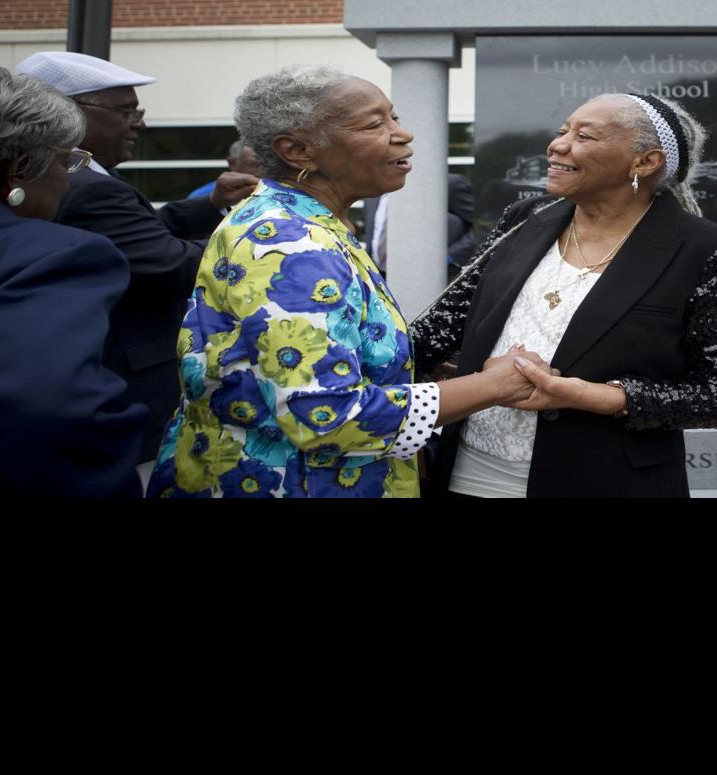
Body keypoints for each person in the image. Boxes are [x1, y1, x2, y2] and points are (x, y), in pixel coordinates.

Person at [145, 64, 539, 498]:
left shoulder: (304, 220)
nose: (402, 134)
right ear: (297, 151)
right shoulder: (288, 244)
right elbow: (328, 416)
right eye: (374, 124)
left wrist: (405, 367)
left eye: (395, 117)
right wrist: (494, 385)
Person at [411, 92, 717, 498]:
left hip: (607, 479)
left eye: (585, 136)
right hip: (469, 476)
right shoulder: (525, 218)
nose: (558, 145)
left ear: (645, 161)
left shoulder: (703, 249)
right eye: (562, 131)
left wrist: (592, 396)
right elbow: (440, 329)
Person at [15, 51, 260, 485]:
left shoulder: (82, 177)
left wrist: (211, 205)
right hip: (129, 390)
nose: (140, 124)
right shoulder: (85, 185)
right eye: (126, 111)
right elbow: (169, 264)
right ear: (68, 112)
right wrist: (278, 237)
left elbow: (138, 239)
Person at [0, 59, 148, 497]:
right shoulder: (51, 255)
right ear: (18, 169)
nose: (69, 180)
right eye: (66, 160)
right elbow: (48, 412)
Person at [361, 173, 477, 280]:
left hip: (439, 280)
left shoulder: (449, 185)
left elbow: (480, 228)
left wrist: (449, 257)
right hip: (381, 280)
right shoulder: (372, 192)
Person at [186, 139, 262, 198]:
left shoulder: (270, 190)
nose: (261, 171)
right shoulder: (204, 196)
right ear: (232, 163)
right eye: (253, 164)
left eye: (265, 165)